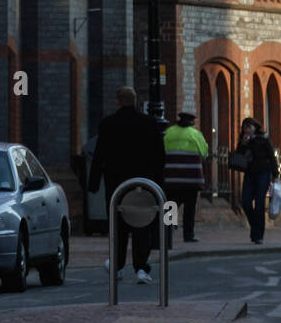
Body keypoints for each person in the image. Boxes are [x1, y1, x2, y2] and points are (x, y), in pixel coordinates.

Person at [88, 86, 165, 283]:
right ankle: (141, 268)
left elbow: (99, 155)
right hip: (143, 183)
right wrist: (159, 183)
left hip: (116, 183)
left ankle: (118, 266)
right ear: (136, 100)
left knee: (117, 226)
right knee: (142, 224)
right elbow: (159, 156)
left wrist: (93, 183)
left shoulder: (108, 124)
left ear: (119, 101)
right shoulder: (149, 124)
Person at [163, 108, 209, 242]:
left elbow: (162, 151)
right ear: (191, 122)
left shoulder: (169, 132)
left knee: (170, 206)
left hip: (171, 178)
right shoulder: (195, 134)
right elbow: (204, 153)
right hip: (191, 180)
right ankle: (188, 235)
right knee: (189, 209)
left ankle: (167, 234)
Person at [236, 117, 279, 244]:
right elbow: (239, 155)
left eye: (249, 127)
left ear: (255, 127)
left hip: (263, 174)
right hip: (250, 174)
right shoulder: (244, 141)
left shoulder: (263, 139)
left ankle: (258, 235)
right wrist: (243, 144)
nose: (247, 130)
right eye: (245, 128)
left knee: (260, 203)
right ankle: (255, 227)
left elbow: (271, 157)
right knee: (246, 202)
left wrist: (275, 175)